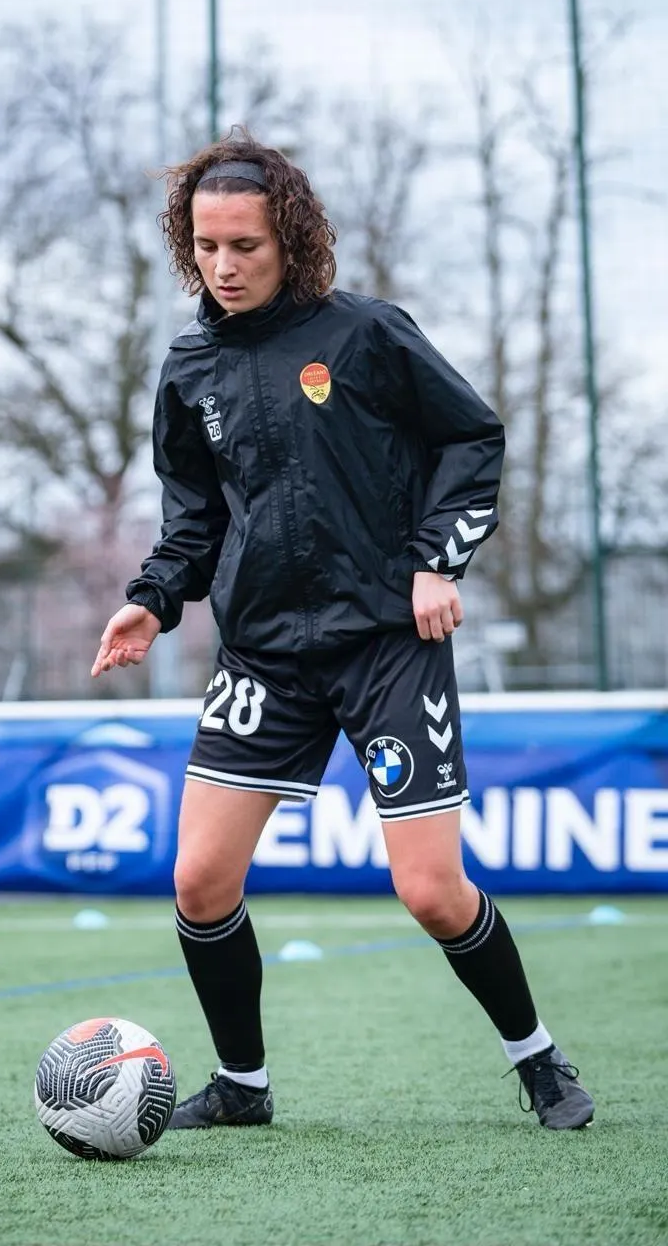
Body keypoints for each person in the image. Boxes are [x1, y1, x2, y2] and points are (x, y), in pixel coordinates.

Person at [90, 129, 594, 1132]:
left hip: (385, 645)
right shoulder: (190, 369)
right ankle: (242, 1084)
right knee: (197, 877)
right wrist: (154, 596)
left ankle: (537, 1059)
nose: (223, 267)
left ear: (291, 238)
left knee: (431, 890)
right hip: (264, 654)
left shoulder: (365, 335)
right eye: (205, 247)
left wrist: (434, 560)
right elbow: (195, 514)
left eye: (245, 246)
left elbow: (471, 436)